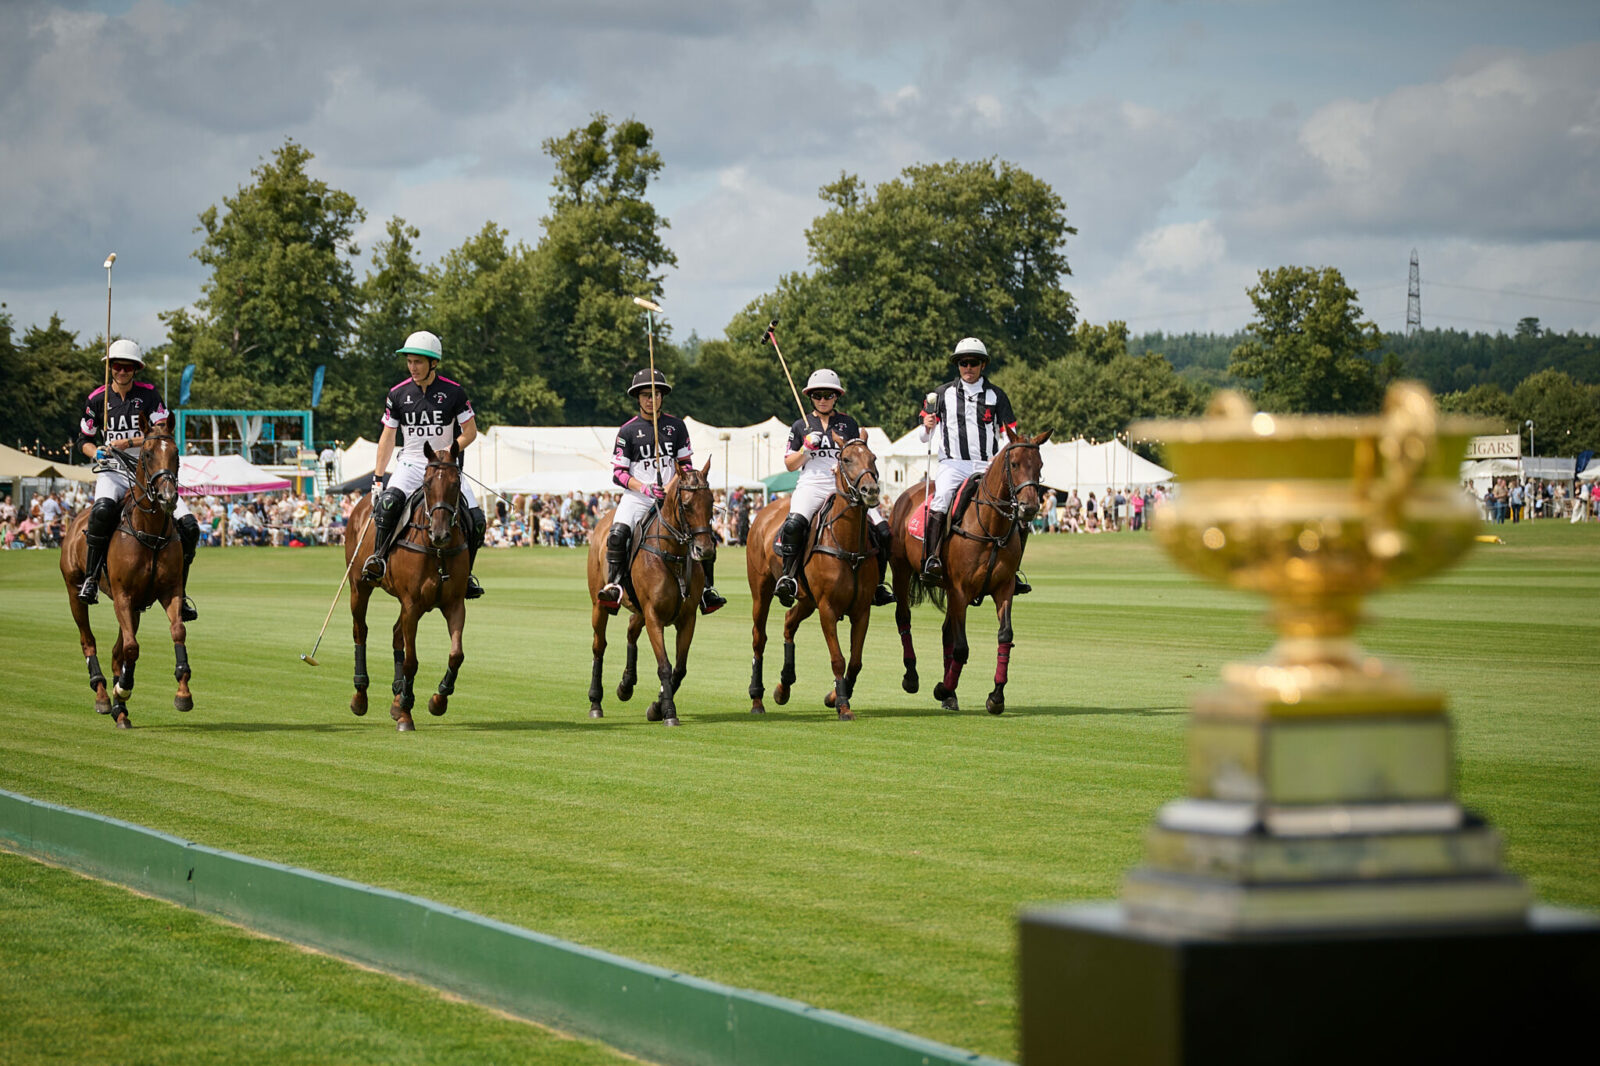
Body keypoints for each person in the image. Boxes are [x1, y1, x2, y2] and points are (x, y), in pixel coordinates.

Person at [75, 339, 202, 618]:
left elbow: (162, 430)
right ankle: (92, 579)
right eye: (117, 367)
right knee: (101, 512)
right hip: (113, 471)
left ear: (136, 370)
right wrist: (95, 452)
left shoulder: (149, 395)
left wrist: (128, 441)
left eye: (127, 367)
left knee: (190, 526)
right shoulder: (98, 399)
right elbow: (83, 439)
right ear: (110, 368)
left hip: (149, 472)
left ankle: (181, 595)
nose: (122, 372)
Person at [360, 331, 487, 598]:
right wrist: (378, 477)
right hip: (411, 464)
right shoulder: (397, 394)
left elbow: (470, 432)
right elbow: (387, 437)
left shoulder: (454, 392)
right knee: (388, 505)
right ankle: (378, 560)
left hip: (446, 467)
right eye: (409, 362)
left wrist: (449, 450)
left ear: (433, 363)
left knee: (476, 520)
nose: (412, 367)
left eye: (418, 362)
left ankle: (466, 576)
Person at [597, 368, 726, 615]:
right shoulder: (627, 431)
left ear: (662, 397)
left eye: (656, 394)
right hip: (638, 497)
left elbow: (686, 465)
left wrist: (670, 486)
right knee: (617, 533)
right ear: (638, 397)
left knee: (704, 535)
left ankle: (707, 590)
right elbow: (619, 474)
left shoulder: (676, 427)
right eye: (646, 394)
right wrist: (645, 488)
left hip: (673, 497)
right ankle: (614, 586)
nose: (651, 398)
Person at [772, 368, 895, 609]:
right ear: (810, 397)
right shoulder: (800, 425)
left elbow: (857, 454)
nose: (823, 400)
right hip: (812, 485)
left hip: (845, 487)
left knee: (883, 531)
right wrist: (805, 450)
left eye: (828, 395)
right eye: (818, 395)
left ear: (836, 396)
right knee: (795, 524)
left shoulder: (848, 424)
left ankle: (879, 585)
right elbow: (788, 464)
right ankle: (788, 578)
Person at [917, 338, 1031, 592]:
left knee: (1017, 508)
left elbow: (1010, 435)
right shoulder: (941, 394)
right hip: (953, 464)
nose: (968, 367)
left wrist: (998, 457)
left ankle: (1014, 569)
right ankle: (932, 559)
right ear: (958, 365)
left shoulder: (996, 395)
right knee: (942, 498)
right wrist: (926, 427)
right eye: (963, 362)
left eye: (974, 362)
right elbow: (924, 436)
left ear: (983, 365)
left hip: (986, 464)